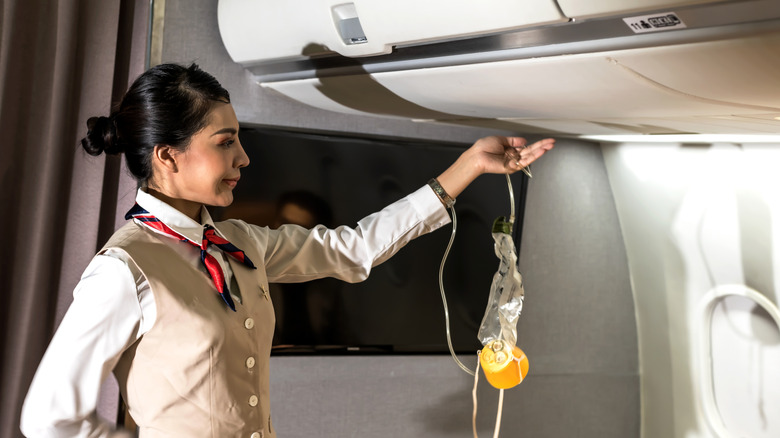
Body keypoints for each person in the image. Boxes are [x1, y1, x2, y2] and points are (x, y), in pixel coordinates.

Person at [20, 63, 554, 437]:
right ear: (167, 156)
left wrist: (468, 168)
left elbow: (353, 249)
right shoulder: (124, 271)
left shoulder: (239, 242)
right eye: (225, 142)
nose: (244, 157)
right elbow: (48, 418)